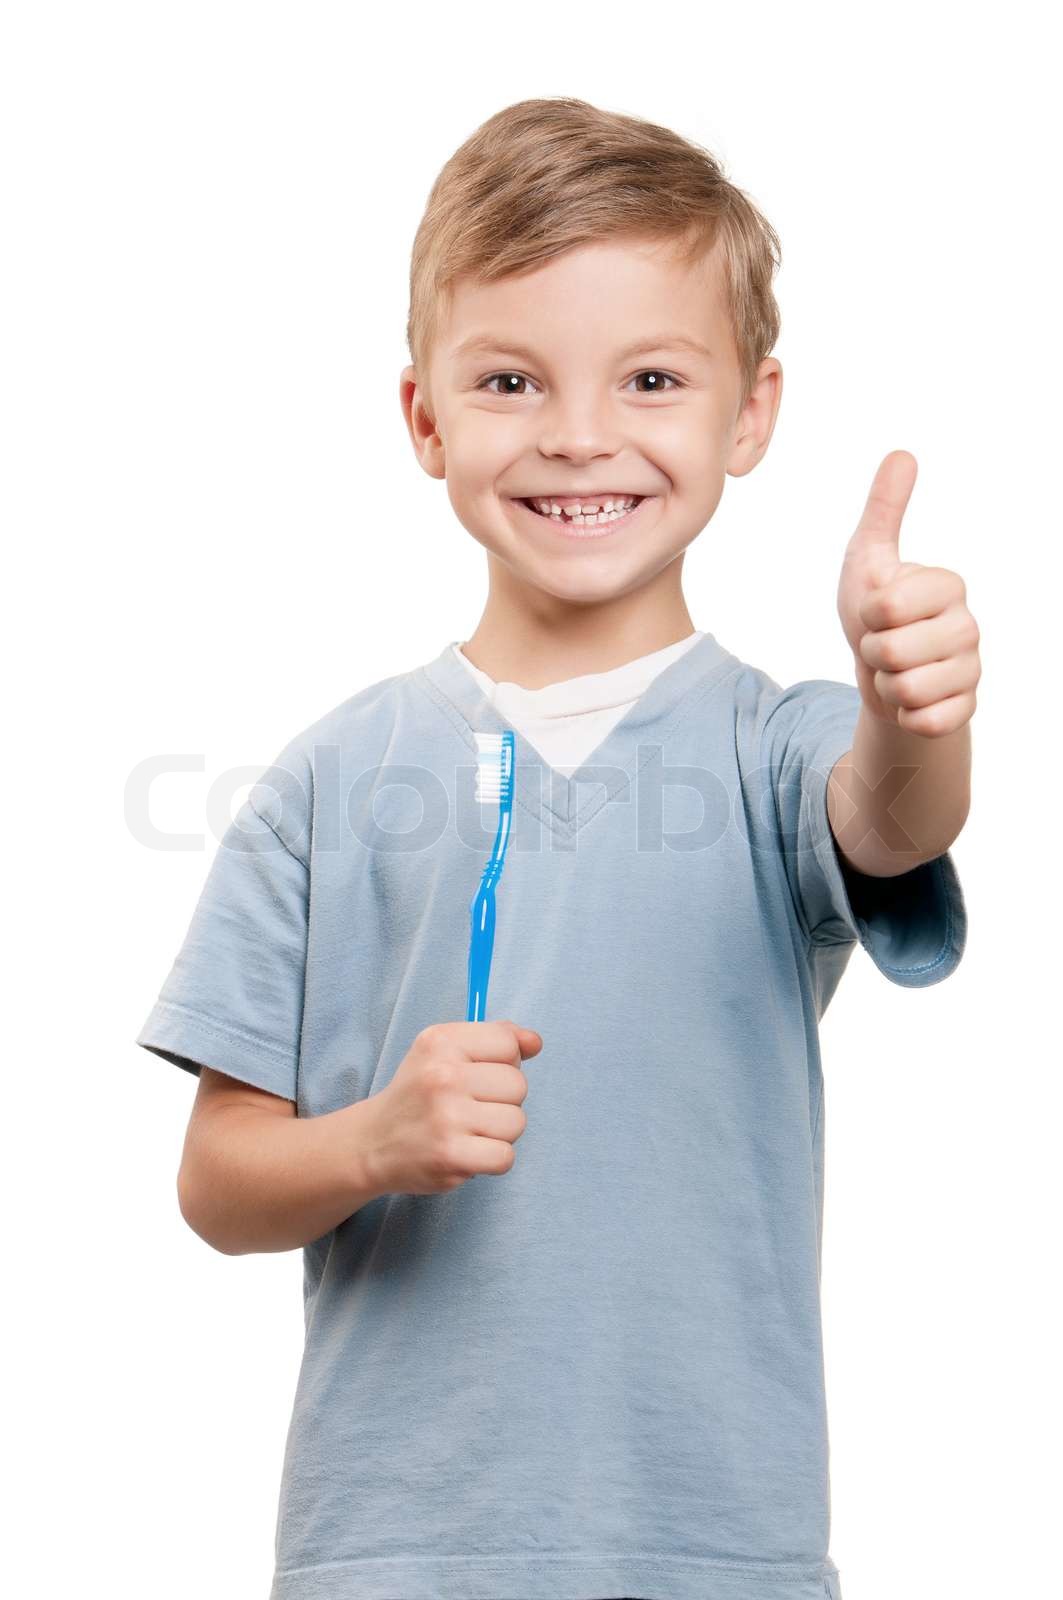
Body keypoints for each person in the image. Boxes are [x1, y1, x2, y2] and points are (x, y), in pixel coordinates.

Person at [136, 97, 979, 1600]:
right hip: (389, 1553)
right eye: (513, 379)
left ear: (750, 414)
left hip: (717, 1550)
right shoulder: (329, 782)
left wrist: (911, 710)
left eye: (651, 378)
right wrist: (372, 1142)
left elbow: (891, 815)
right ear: (426, 419)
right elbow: (217, 1181)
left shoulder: (778, 747)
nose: (580, 434)